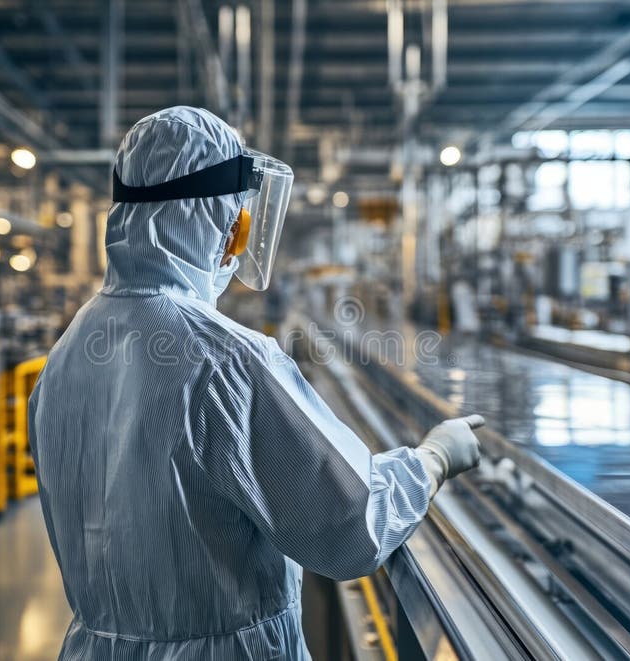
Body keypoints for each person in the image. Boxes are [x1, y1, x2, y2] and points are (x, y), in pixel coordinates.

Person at [28, 106, 483, 660]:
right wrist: (431, 461)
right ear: (225, 223)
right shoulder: (224, 360)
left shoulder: (68, 352)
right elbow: (347, 528)